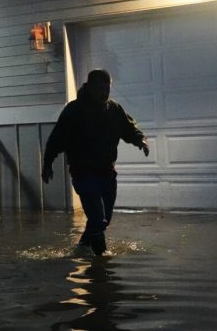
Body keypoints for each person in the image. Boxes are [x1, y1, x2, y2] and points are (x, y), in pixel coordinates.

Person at [42, 69, 149, 256]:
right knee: (97, 218)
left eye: (107, 88)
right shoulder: (75, 110)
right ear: (89, 87)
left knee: (104, 218)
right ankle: (102, 258)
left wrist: (140, 140)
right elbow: (57, 138)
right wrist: (47, 163)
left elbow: (128, 129)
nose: (104, 92)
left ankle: (83, 247)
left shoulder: (114, 108)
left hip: (107, 172)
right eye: (100, 88)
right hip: (83, 172)